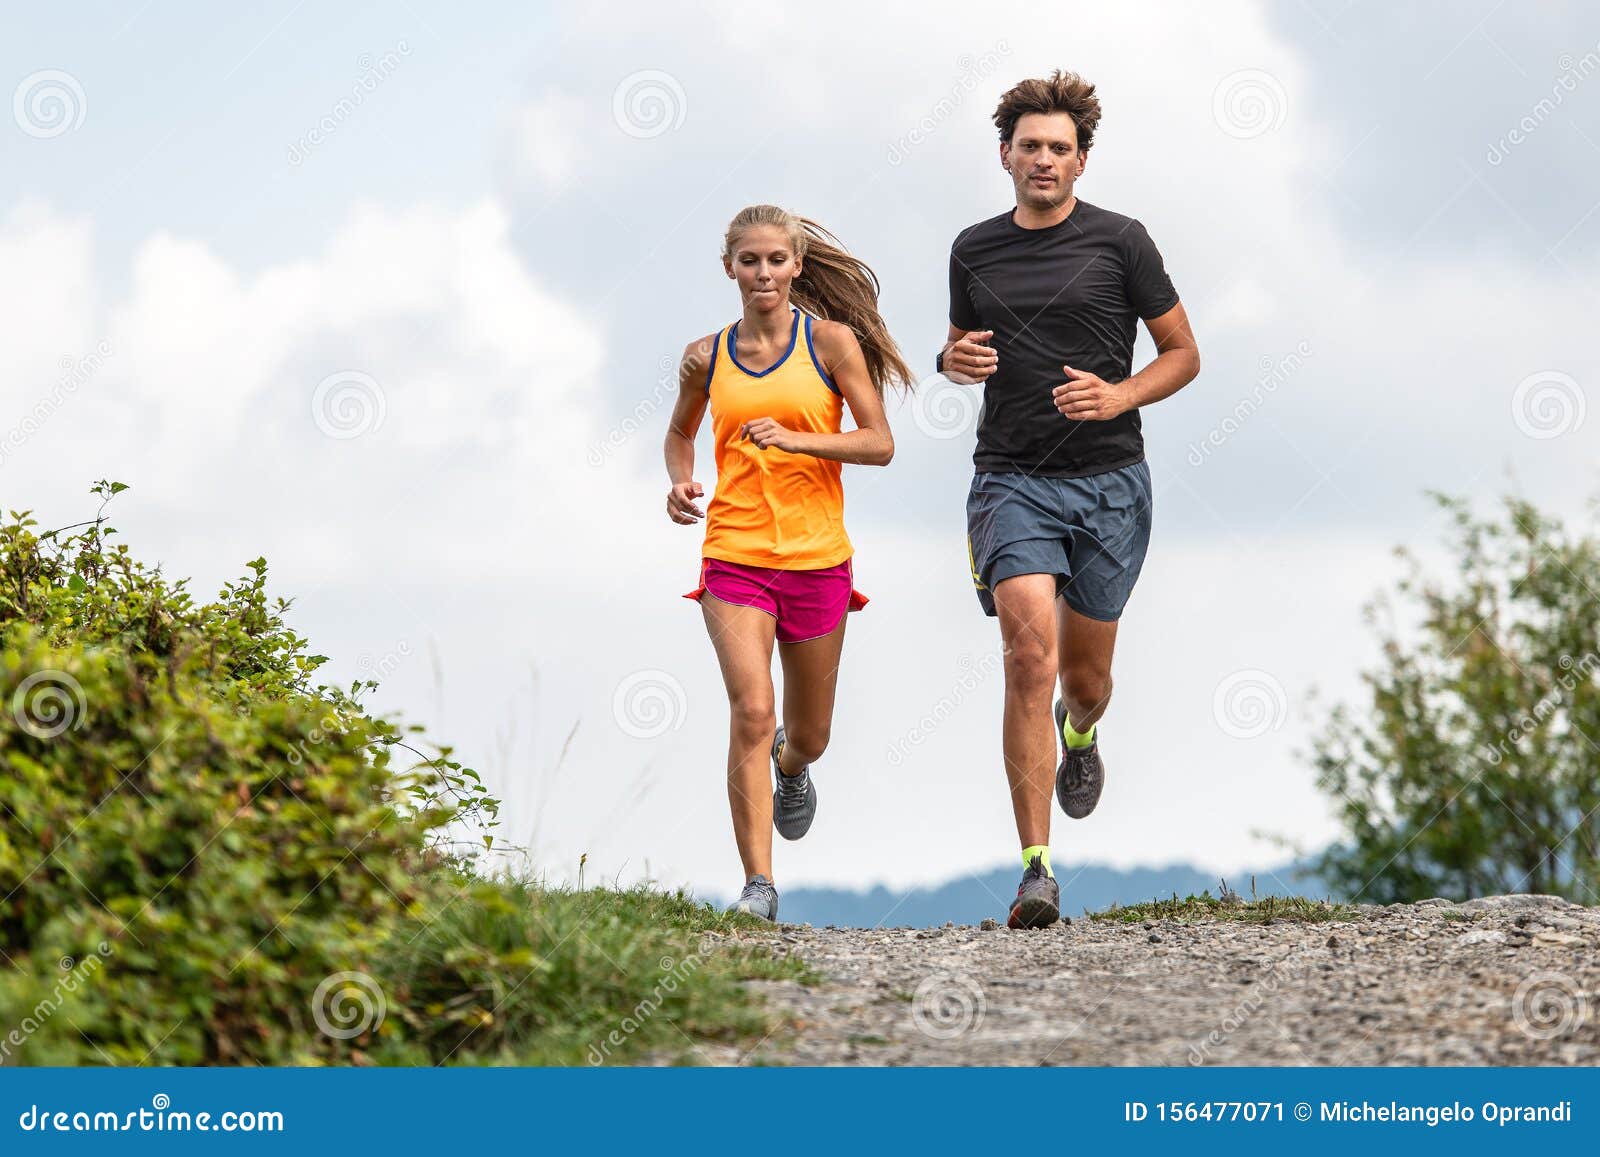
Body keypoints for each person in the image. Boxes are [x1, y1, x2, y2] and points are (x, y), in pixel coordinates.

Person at [939, 72, 1201, 928]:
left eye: (1059, 147)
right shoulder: (973, 249)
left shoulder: (1122, 241)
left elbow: (1183, 353)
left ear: (1082, 159)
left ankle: (1079, 732)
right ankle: (1036, 870)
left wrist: (1120, 395)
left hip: (1110, 483)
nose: (1043, 159)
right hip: (1011, 477)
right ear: (1005, 155)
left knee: (1084, 680)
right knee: (1027, 656)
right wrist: (951, 363)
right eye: (1030, 146)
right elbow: (959, 348)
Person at [665, 205, 913, 922]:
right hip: (735, 554)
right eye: (750, 261)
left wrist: (800, 441)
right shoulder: (705, 356)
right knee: (751, 709)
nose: (764, 273)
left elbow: (879, 442)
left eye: (777, 260)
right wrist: (680, 481)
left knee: (809, 733)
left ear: (797, 265)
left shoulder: (831, 343)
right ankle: (758, 886)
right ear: (730, 268)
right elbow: (680, 433)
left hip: (817, 558)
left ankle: (791, 765)